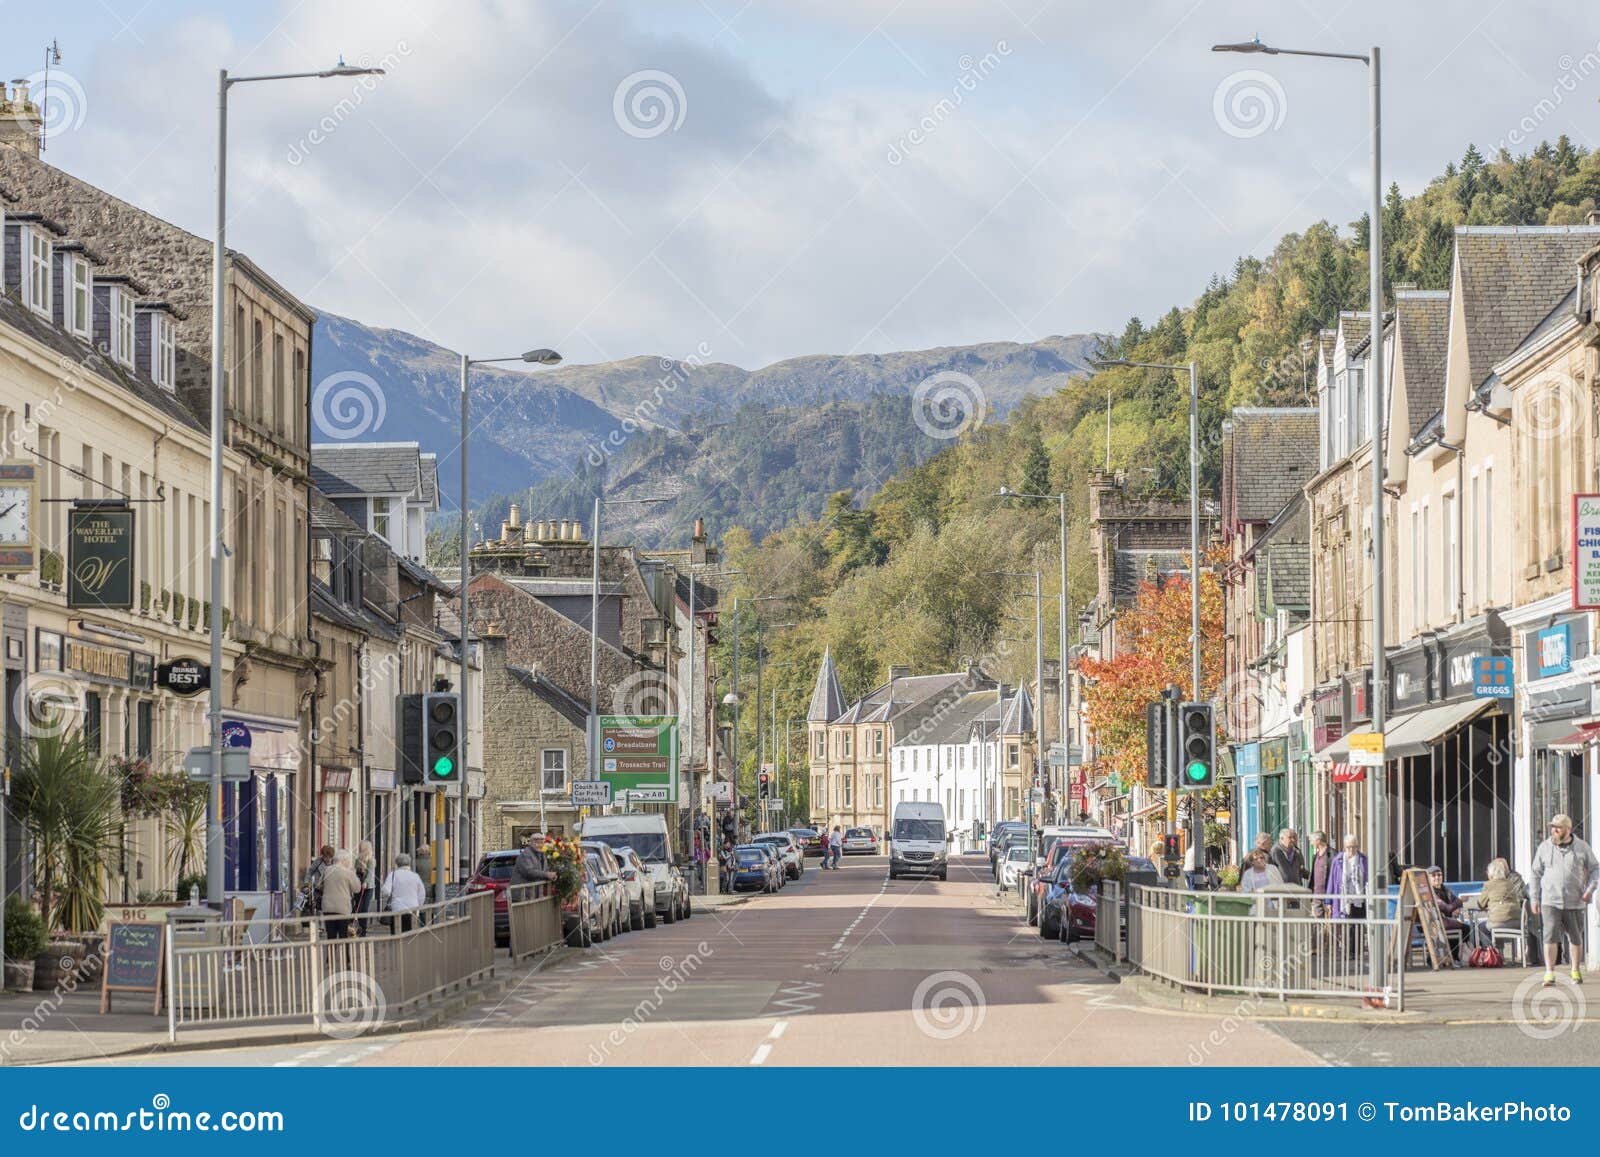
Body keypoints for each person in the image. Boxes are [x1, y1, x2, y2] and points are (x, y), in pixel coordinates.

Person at [1528, 813, 1599, 987]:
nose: (1554, 830)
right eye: (1552, 827)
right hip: (1550, 900)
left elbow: (1595, 869)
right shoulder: (1544, 847)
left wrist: (1589, 890)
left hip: (1574, 900)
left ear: (1568, 829)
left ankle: (1575, 970)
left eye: (1558, 828)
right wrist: (1534, 898)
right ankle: (1549, 973)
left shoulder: (1582, 847)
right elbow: (1535, 874)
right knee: (1549, 936)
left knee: (1575, 937)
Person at [1467, 857, 1526, 949]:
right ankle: (1498, 952)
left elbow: (1480, 904)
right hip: (1516, 921)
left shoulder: (1489, 885)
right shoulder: (1510, 883)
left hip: (1498, 923)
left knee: (1480, 928)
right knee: (1496, 922)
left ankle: (1492, 952)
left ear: (1491, 873)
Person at [319, 850, 362, 940]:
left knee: (331, 936)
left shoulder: (326, 870)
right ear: (343, 860)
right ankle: (344, 950)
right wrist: (355, 875)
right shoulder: (348, 872)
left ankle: (331, 950)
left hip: (328, 907)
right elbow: (357, 889)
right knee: (343, 936)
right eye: (348, 860)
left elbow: (319, 885)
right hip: (343, 908)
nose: (349, 863)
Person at [381, 853, 427, 933]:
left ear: (397, 863)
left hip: (397, 909)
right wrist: (418, 905)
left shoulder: (393, 875)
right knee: (410, 935)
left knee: (397, 934)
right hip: (413, 909)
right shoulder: (415, 876)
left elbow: (386, 891)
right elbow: (422, 894)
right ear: (409, 863)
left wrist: (391, 897)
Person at [1327, 835, 1368, 919]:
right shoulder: (1337, 860)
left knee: (1358, 924)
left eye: (1354, 847)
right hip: (1342, 899)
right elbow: (1331, 881)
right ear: (1344, 847)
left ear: (1357, 847)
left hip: (1359, 900)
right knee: (1343, 923)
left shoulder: (1363, 860)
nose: (1351, 849)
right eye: (1348, 847)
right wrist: (1328, 901)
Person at [303, 844, 336, 914]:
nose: (326, 859)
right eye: (324, 857)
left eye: (328, 857)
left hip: (330, 890)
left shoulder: (334, 863)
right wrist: (306, 884)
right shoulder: (318, 861)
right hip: (318, 889)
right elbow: (309, 872)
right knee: (318, 907)